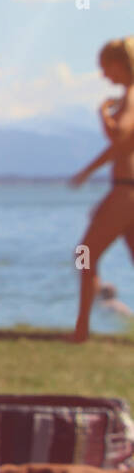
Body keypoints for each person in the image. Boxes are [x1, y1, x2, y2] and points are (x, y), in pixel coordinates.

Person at [68, 37, 134, 343]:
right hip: (124, 191)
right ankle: (82, 328)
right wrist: (88, 172)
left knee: (85, 254)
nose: (104, 75)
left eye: (106, 67)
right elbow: (121, 146)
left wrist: (103, 113)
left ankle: (81, 329)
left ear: (121, 64)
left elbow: (119, 136)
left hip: (126, 191)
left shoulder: (131, 97)